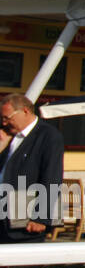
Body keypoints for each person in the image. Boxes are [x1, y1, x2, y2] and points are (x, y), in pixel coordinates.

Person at [0, 93, 65, 242]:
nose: (4, 123)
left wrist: (41, 217)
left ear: (25, 111)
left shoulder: (48, 136)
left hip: (25, 222)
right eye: (2, 118)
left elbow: (51, 178)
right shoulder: (7, 135)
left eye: (7, 118)